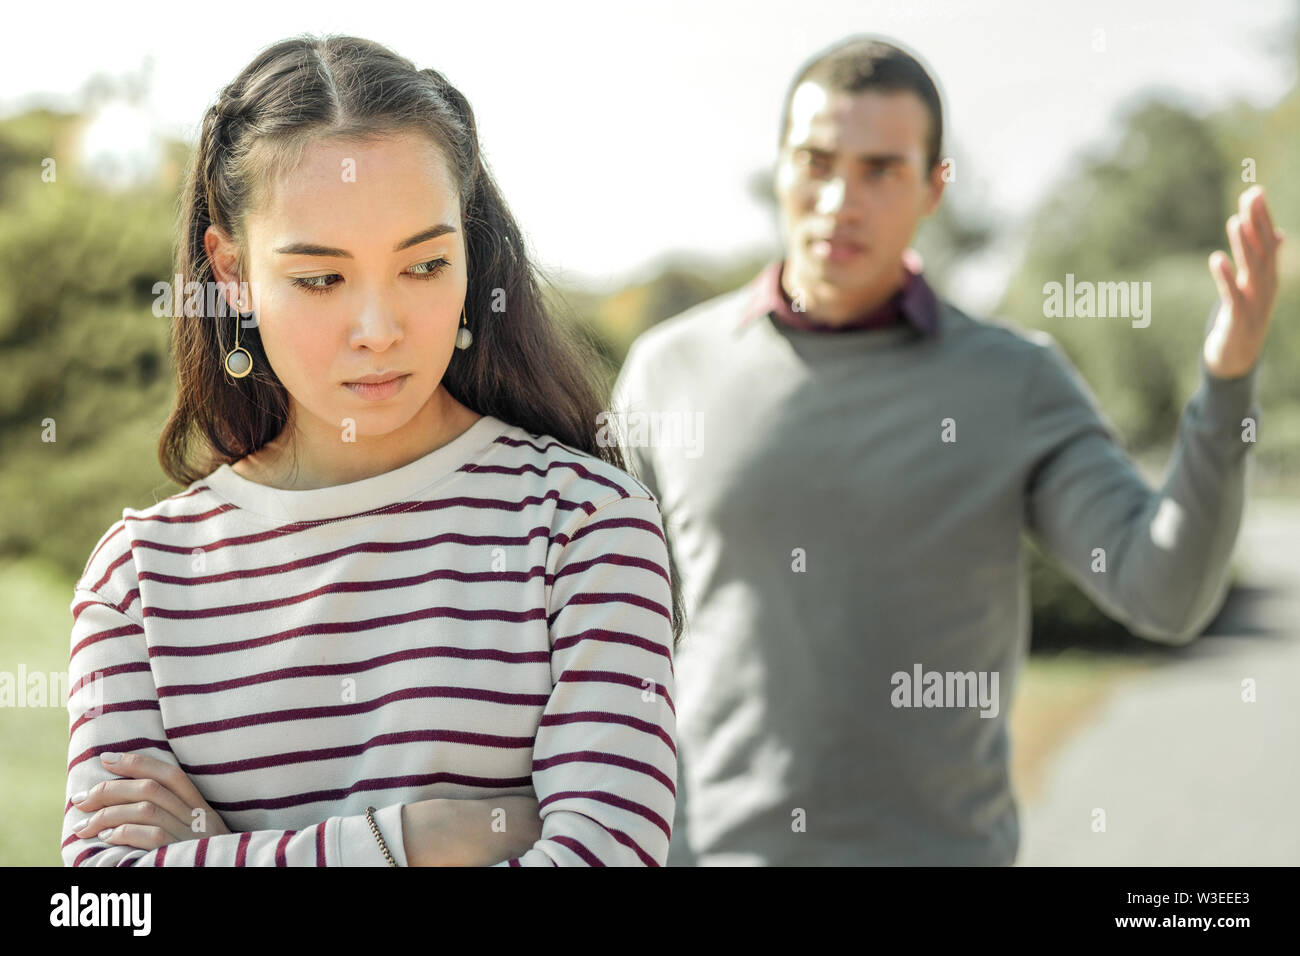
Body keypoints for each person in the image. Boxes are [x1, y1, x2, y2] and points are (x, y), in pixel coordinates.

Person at [611, 35, 1282, 865]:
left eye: (880, 169)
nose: (838, 200)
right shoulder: (668, 373)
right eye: (816, 162)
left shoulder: (1015, 381)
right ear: (780, 169)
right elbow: (602, 654)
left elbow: (1164, 591)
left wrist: (1226, 385)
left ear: (935, 188)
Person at [62, 34, 682, 867]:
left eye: (424, 267)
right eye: (321, 279)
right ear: (232, 271)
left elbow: (604, 857)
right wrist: (413, 840)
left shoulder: (588, 528)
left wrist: (221, 853)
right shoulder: (141, 577)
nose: (380, 332)